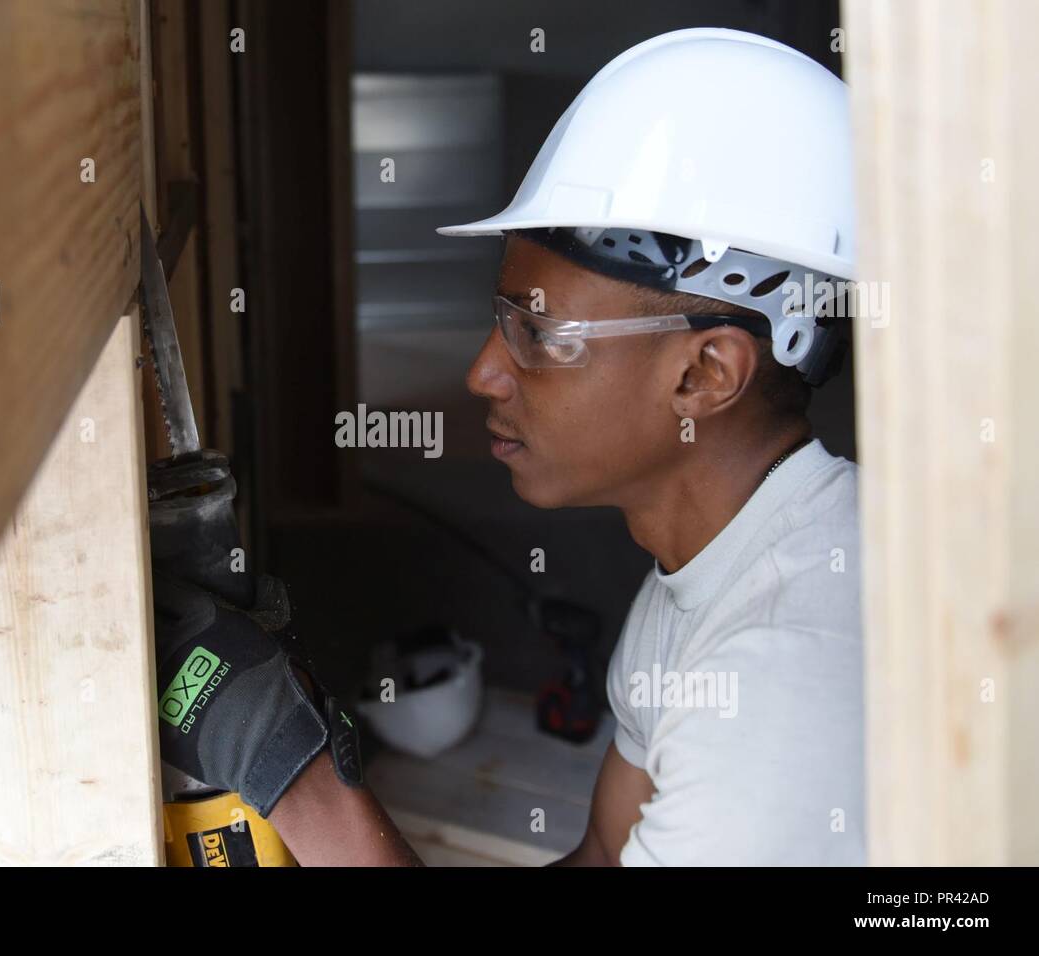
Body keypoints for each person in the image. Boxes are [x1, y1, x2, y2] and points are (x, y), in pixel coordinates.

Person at [157, 27, 865, 866]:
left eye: (538, 331)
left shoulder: (776, 689)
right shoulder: (709, 577)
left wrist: (303, 782)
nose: (484, 373)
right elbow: (602, 855)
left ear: (705, 373)